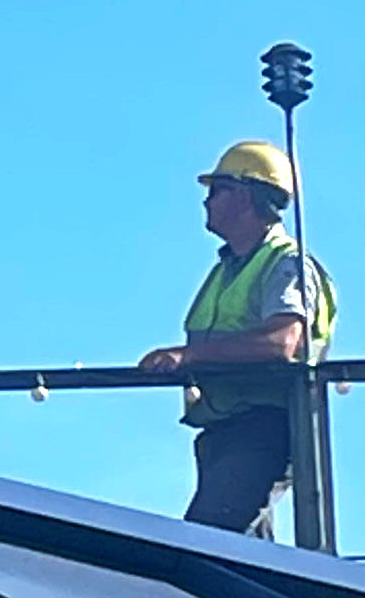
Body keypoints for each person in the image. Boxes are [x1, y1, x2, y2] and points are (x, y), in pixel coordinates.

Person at [136, 140, 337, 534]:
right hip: (225, 431)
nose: (206, 202)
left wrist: (188, 358)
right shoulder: (229, 269)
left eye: (216, 190)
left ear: (243, 196)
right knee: (242, 552)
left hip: (262, 426)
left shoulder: (286, 263)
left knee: (208, 543)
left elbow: (284, 342)